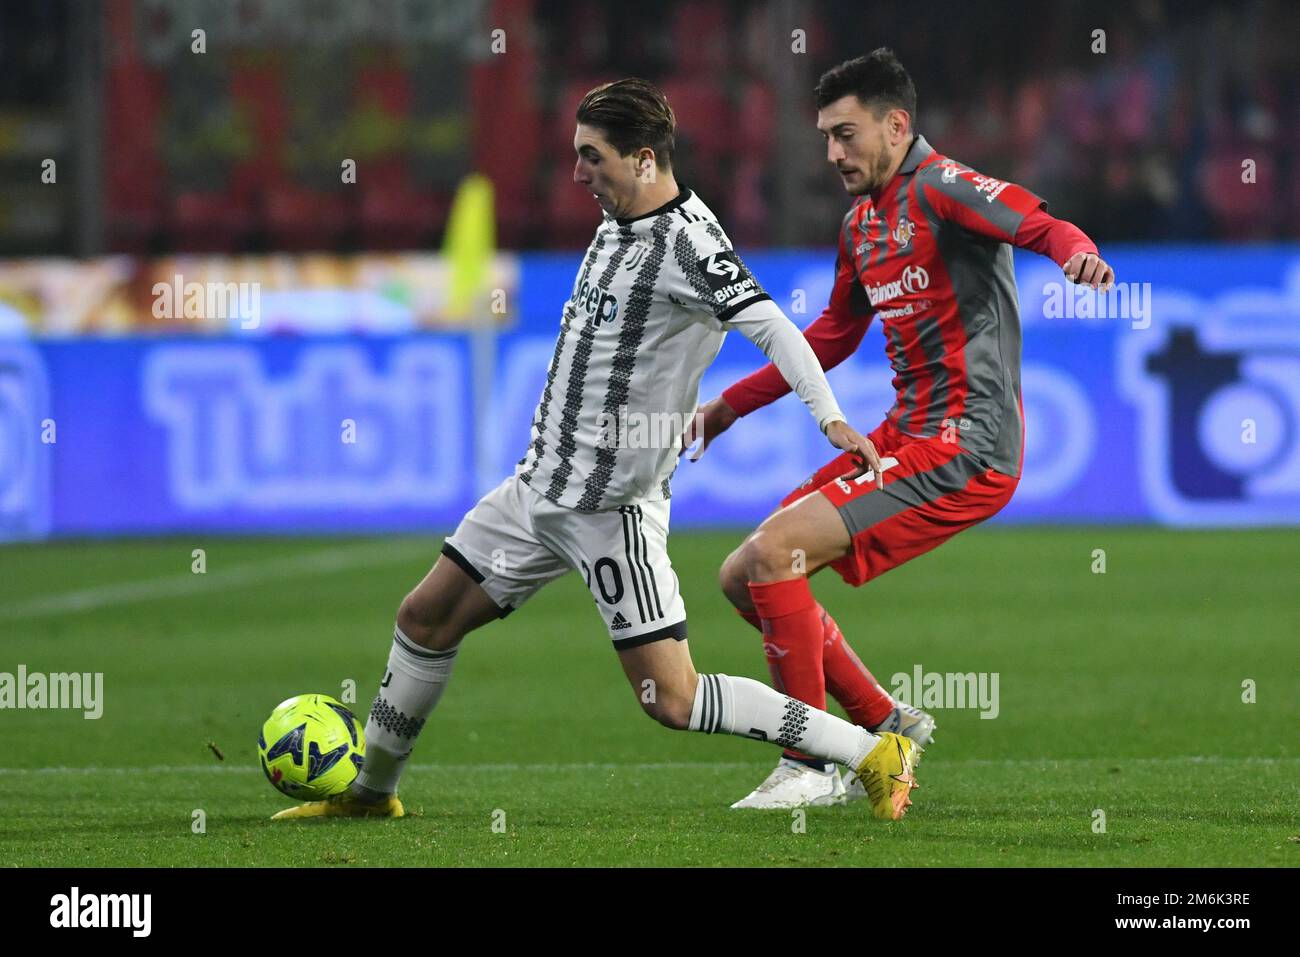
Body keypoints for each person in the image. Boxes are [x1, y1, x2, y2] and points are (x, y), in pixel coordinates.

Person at [272, 77, 921, 823]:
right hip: (537, 489)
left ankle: (872, 750)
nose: (578, 173)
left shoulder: (690, 243)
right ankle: (371, 794)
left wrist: (830, 418)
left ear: (644, 159)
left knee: (671, 698)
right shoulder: (619, 216)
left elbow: (774, 325)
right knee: (424, 617)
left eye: (593, 157)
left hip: (610, 512)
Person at [690, 50, 1115, 809]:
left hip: (970, 442)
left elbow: (1037, 222)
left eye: (846, 134)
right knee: (742, 574)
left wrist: (1077, 253)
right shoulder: (861, 224)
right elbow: (831, 336)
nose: (832, 153)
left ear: (897, 125)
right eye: (825, 136)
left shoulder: (944, 187)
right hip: (901, 434)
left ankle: (811, 762)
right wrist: (730, 404)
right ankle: (886, 721)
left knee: (777, 552)